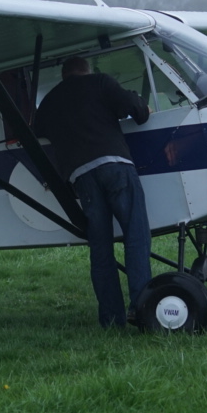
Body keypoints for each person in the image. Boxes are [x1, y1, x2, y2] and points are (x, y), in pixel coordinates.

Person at [32, 55, 153, 328]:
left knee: (100, 249)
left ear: (64, 75)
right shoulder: (99, 82)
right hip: (116, 167)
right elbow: (138, 110)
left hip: (81, 177)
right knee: (136, 237)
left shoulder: (50, 101)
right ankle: (141, 306)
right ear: (86, 70)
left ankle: (111, 319)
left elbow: (37, 128)